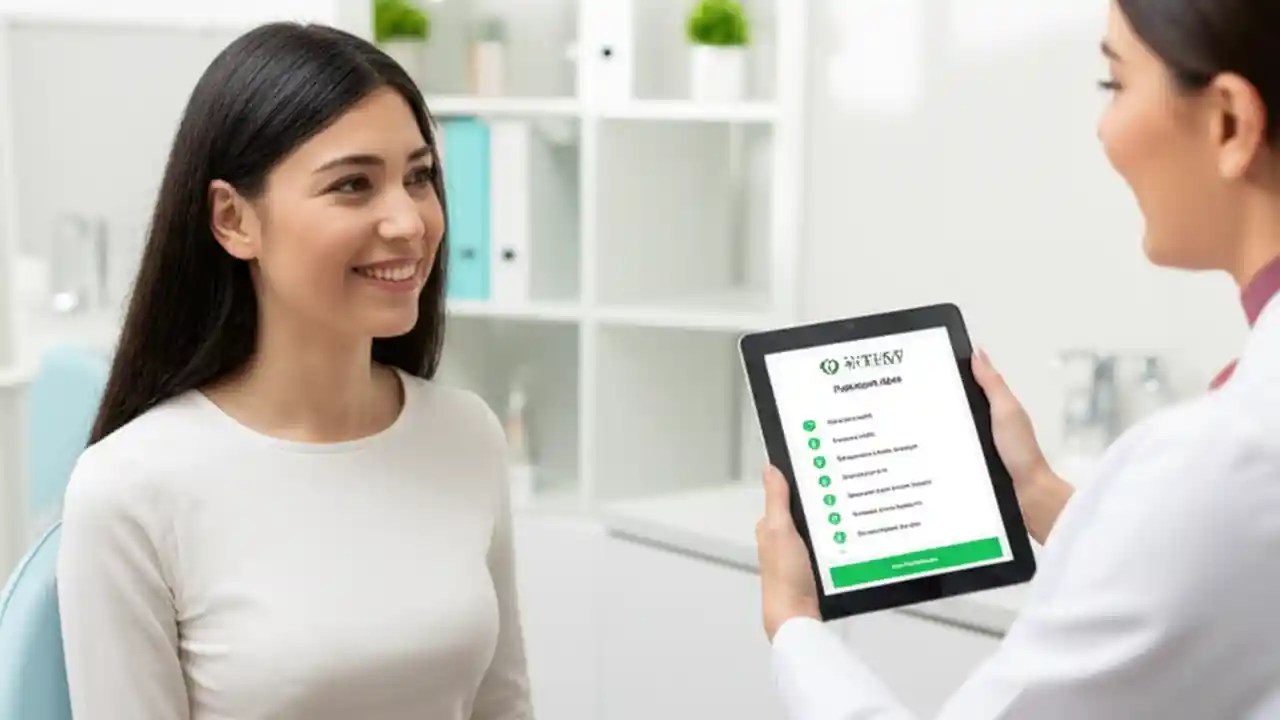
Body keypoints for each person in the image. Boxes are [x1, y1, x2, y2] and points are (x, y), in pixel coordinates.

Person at [755, 0, 1280, 717]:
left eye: (1114, 85)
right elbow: (1224, 568)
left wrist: (795, 626)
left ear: (1228, 121)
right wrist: (1039, 492)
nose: (1103, 127)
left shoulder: (1224, 452)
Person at [55, 23, 532, 720]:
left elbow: (504, 706)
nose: (408, 220)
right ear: (233, 219)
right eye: (352, 185)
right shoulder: (129, 488)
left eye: (419, 176)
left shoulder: (466, 434)